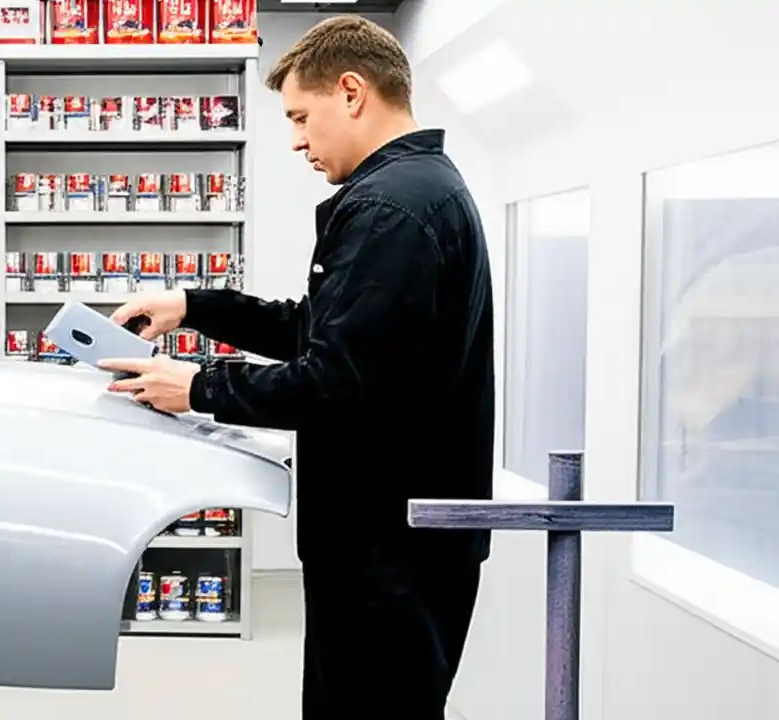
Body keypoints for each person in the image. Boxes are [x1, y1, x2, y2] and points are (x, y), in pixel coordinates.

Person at [98, 15, 495, 720]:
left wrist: (196, 388)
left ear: (352, 91)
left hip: (386, 553)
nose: (297, 141)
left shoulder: (389, 211)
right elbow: (318, 331)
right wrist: (193, 303)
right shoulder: (419, 190)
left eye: (301, 117)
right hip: (399, 544)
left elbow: (337, 383)